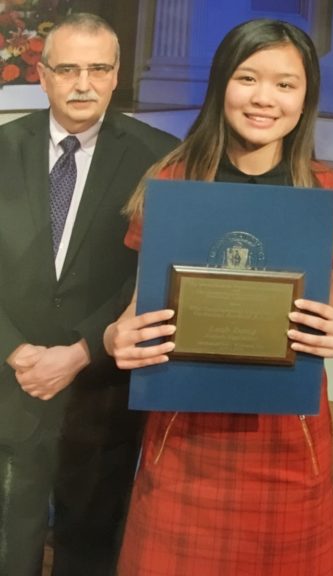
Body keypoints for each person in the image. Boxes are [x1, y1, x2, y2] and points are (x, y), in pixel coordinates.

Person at [103, 19, 333, 575]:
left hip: (288, 437)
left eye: (285, 84)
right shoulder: (172, 181)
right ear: (221, 83)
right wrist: (115, 336)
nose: (264, 98)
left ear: (306, 98)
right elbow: (140, 304)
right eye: (248, 78)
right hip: (184, 432)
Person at [0, 12, 178, 576]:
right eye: (68, 69)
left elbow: (153, 273)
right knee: (8, 543)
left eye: (98, 69)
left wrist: (80, 351)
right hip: (10, 379)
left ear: (116, 74)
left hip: (102, 386)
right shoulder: (2, 147)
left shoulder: (161, 158)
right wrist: (14, 350)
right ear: (43, 75)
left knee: (90, 546)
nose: (83, 84)